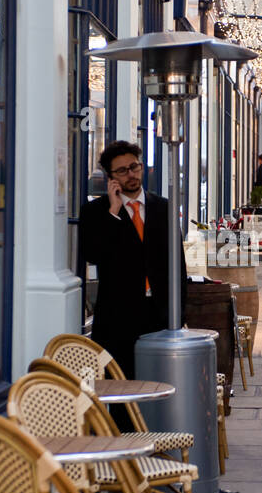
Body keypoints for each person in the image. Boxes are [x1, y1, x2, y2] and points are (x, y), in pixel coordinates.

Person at [78, 140, 186, 380]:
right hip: (117, 319)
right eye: (122, 171)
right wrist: (113, 212)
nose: (131, 174)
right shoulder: (96, 212)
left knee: (160, 385)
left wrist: (179, 314)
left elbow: (177, 266)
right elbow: (93, 254)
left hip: (159, 316)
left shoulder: (164, 208)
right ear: (110, 177)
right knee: (121, 391)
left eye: (134, 167)